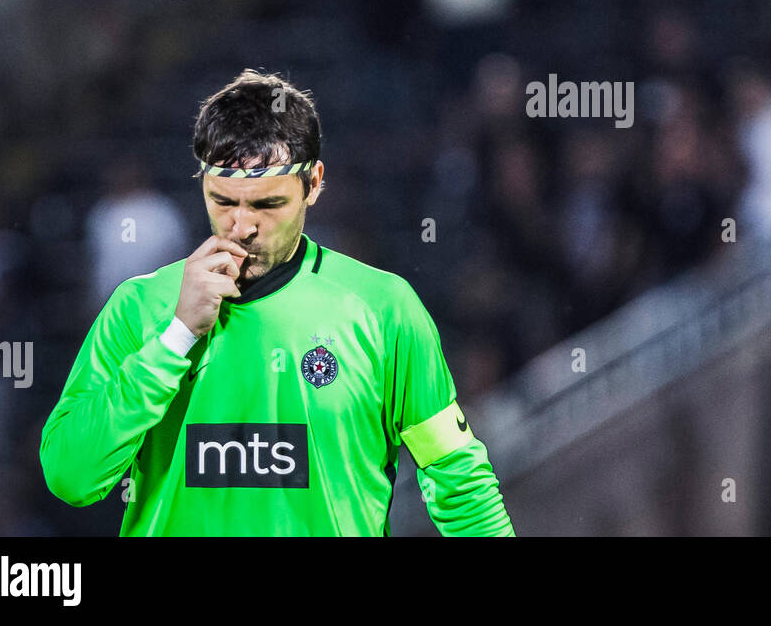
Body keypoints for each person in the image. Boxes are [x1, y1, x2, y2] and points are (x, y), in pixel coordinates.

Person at [40, 69, 515, 536]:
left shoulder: (384, 309)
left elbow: (459, 479)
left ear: (313, 184)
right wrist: (175, 337)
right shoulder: (140, 308)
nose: (242, 226)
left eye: (267, 205)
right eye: (223, 201)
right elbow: (71, 477)